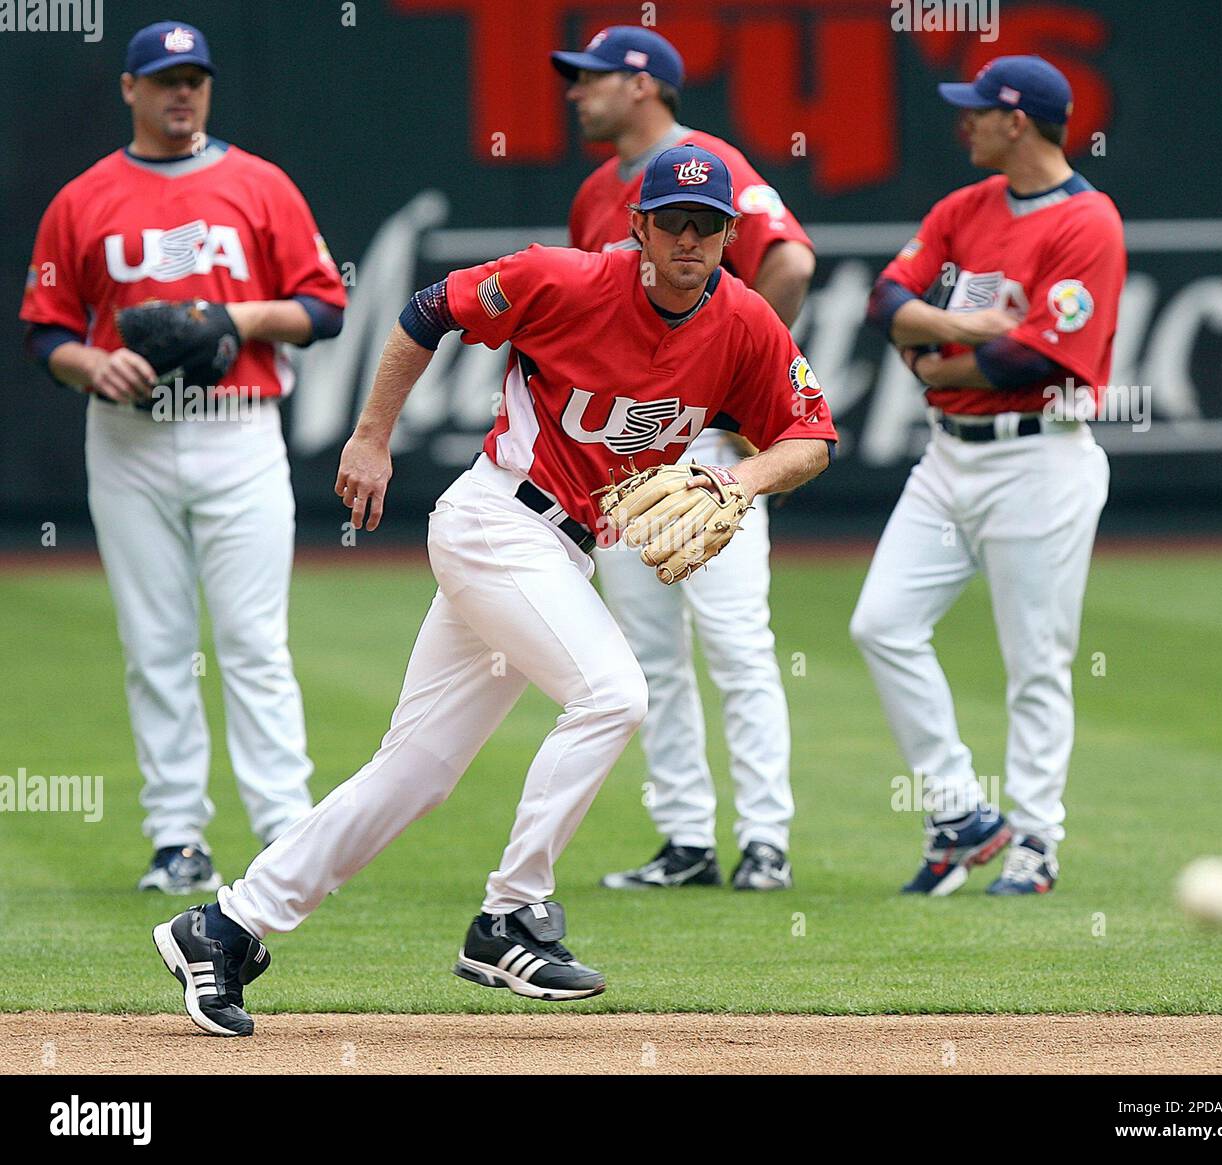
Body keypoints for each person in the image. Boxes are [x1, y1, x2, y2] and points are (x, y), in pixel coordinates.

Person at [151, 145, 837, 1035]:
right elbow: (427, 309)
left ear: (729, 236)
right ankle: (511, 914)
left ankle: (224, 926)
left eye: (708, 227)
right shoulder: (565, 280)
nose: (689, 240)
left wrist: (736, 483)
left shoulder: (744, 323)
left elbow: (812, 434)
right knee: (616, 694)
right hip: (496, 521)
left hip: (564, 548)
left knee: (415, 773)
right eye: (672, 221)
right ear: (639, 226)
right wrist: (370, 435)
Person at [19, 21, 347, 894]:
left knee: (253, 641)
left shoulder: (258, 185)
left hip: (239, 428)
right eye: (164, 78)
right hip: (127, 438)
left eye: (195, 78)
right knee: (156, 643)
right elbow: (45, 326)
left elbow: (324, 308)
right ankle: (176, 838)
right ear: (129, 88)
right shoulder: (83, 198)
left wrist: (236, 319)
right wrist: (91, 362)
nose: (182, 93)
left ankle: (287, 829)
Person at [552, 25, 816, 891]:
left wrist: (734, 385)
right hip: (622, 447)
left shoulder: (711, 161)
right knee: (646, 653)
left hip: (702, 444)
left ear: (642, 85)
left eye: (591, 79)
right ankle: (686, 841)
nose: (575, 92)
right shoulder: (601, 190)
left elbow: (792, 259)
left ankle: (766, 838)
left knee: (738, 641)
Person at [853, 56, 1125, 896]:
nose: (962, 122)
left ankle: (1036, 840)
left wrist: (938, 361)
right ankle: (961, 813)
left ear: (1019, 121)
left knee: (1035, 658)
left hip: (1039, 456)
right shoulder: (963, 207)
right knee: (881, 623)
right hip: (949, 457)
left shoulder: (1086, 221)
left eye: (977, 111)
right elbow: (884, 296)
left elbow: (1036, 354)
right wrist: (956, 324)